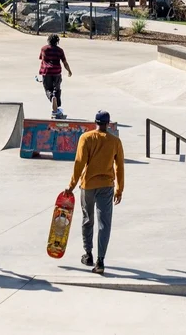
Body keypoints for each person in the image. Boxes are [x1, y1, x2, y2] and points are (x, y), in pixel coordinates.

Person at [64, 110, 124, 275]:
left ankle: (88, 254)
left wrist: (71, 186)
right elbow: (119, 167)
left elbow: (79, 163)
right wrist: (119, 189)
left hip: (88, 185)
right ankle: (100, 261)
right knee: (104, 224)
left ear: (95, 122)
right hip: (106, 186)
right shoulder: (115, 141)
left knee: (87, 219)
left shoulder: (86, 138)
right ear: (108, 123)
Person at [39, 34, 72, 119]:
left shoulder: (44, 49)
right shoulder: (60, 50)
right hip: (56, 72)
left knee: (48, 89)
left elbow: (41, 59)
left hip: (46, 72)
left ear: (48, 40)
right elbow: (65, 62)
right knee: (56, 89)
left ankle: (52, 98)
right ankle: (57, 106)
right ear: (57, 42)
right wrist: (69, 71)